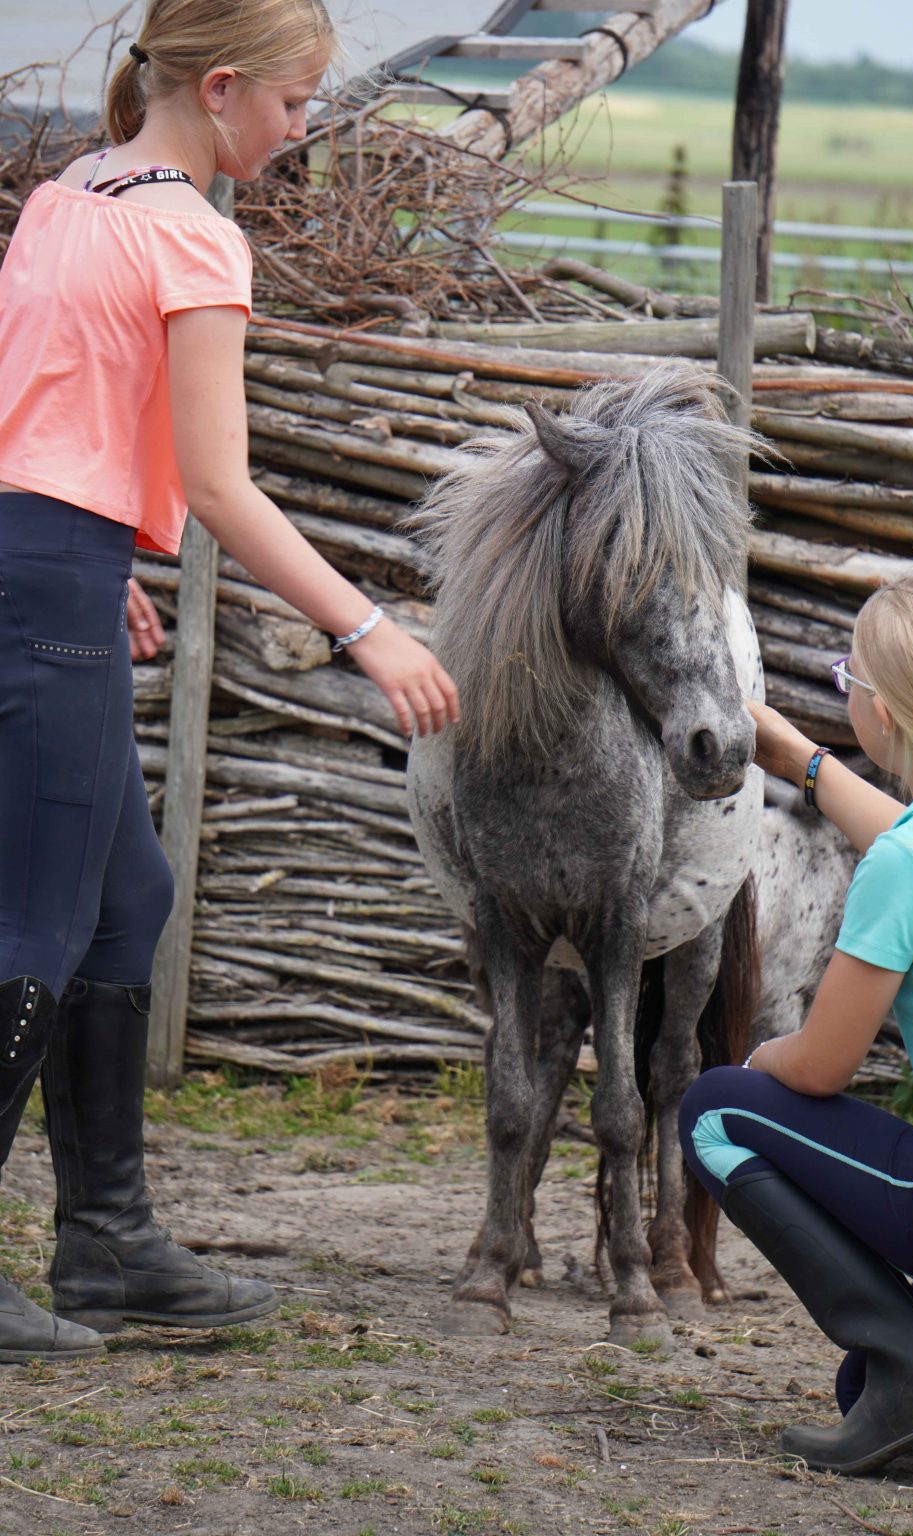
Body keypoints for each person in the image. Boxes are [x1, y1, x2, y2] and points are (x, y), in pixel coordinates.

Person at [0, 0, 459, 1363]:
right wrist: (366, 627)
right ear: (221, 89)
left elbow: (43, 401)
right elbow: (221, 486)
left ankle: (109, 1244)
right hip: (47, 575)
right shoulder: (195, 234)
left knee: (124, 893)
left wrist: (98, 549)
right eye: (299, 102)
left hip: (43, 559)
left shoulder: (69, 195)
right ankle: (96, 1246)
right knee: (36, 922)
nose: (306, 127)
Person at [679, 564, 913, 1476]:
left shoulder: (908, 863)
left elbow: (822, 1069)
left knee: (717, 1107)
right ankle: (912, 1381)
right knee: (858, 1391)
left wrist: (761, 1057)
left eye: (848, 677)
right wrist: (801, 759)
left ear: (883, 713)